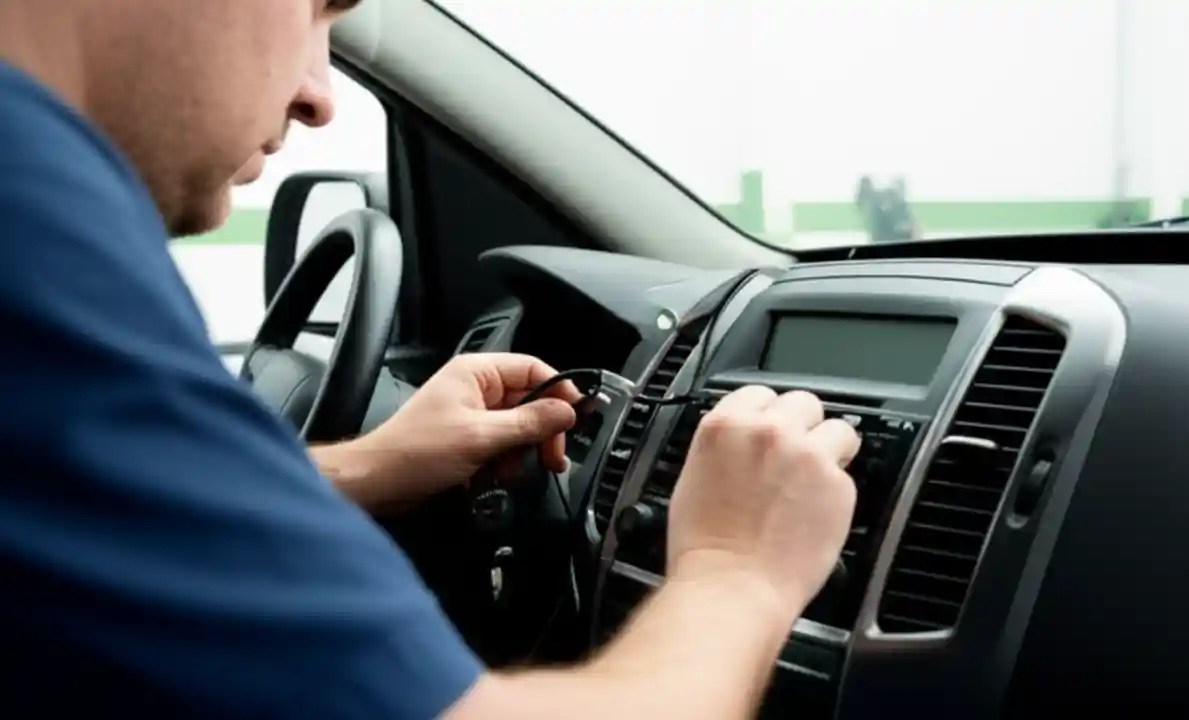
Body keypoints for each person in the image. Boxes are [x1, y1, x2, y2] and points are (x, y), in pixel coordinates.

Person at [0, 0, 862, 717]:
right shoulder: (30, 221)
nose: (319, 95)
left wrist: (371, 464)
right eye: (316, 6)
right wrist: (738, 571)